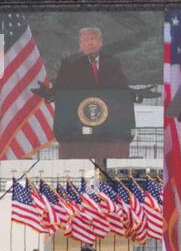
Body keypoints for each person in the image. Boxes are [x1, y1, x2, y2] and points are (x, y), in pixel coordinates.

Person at [39, 26, 135, 159]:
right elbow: (60, 88)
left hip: (107, 129)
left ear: (100, 42)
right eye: (86, 40)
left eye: (93, 39)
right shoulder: (69, 63)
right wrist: (49, 94)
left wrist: (135, 94)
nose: (90, 43)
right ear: (81, 43)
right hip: (76, 129)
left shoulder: (113, 62)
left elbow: (122, 87)